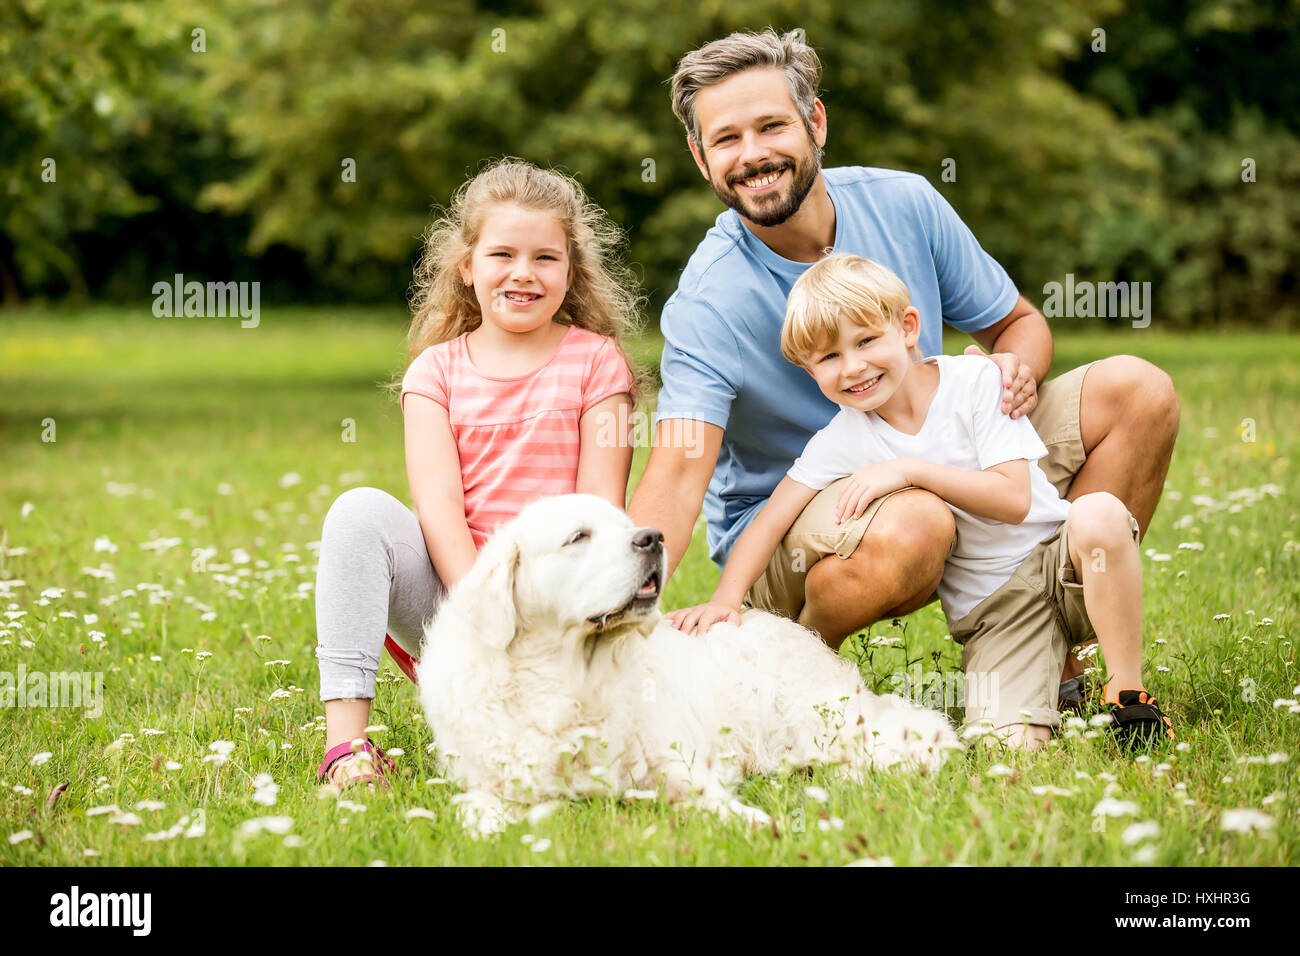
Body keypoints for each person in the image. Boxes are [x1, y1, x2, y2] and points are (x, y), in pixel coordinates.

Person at [628, 29, 1180, 713]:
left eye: (771, 126)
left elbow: (1019, 325)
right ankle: (790, 664)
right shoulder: (711, 297)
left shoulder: (905, 203)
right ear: (699, 156)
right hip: (802, 520)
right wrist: (624, 613)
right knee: (914, 520)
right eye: (727, 139)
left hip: (943, 447)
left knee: (1137, 391)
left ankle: (1056, 644)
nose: (753, 156)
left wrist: (1015, 371)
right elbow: (680, 470)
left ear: (816, 122)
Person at [667, 255, 1175, 748]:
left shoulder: (975, 382)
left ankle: (1126, 693)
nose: (854, 367)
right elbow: (772, 519)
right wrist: (725, 603)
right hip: (996, 608)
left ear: (908, 328)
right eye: (829, 357)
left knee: (1100, 514)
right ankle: (1041, 686)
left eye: (867, 341)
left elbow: (1014, 499)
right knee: (1010, 749)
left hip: (1064, 560)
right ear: (809, 371)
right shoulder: (842, 438)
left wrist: (907, 470)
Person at [313, 159, 643, 787]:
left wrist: (538, 609)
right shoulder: (435, 373)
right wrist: (484, 613)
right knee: (356, 511)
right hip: (458, 598)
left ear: (570, 270)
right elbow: (437, 508)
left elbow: (603, 510)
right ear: (467, 268)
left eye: (546, 257)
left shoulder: (597, 364)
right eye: (502, 254)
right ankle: (346, 750)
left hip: (560, 600)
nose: (524, 273)